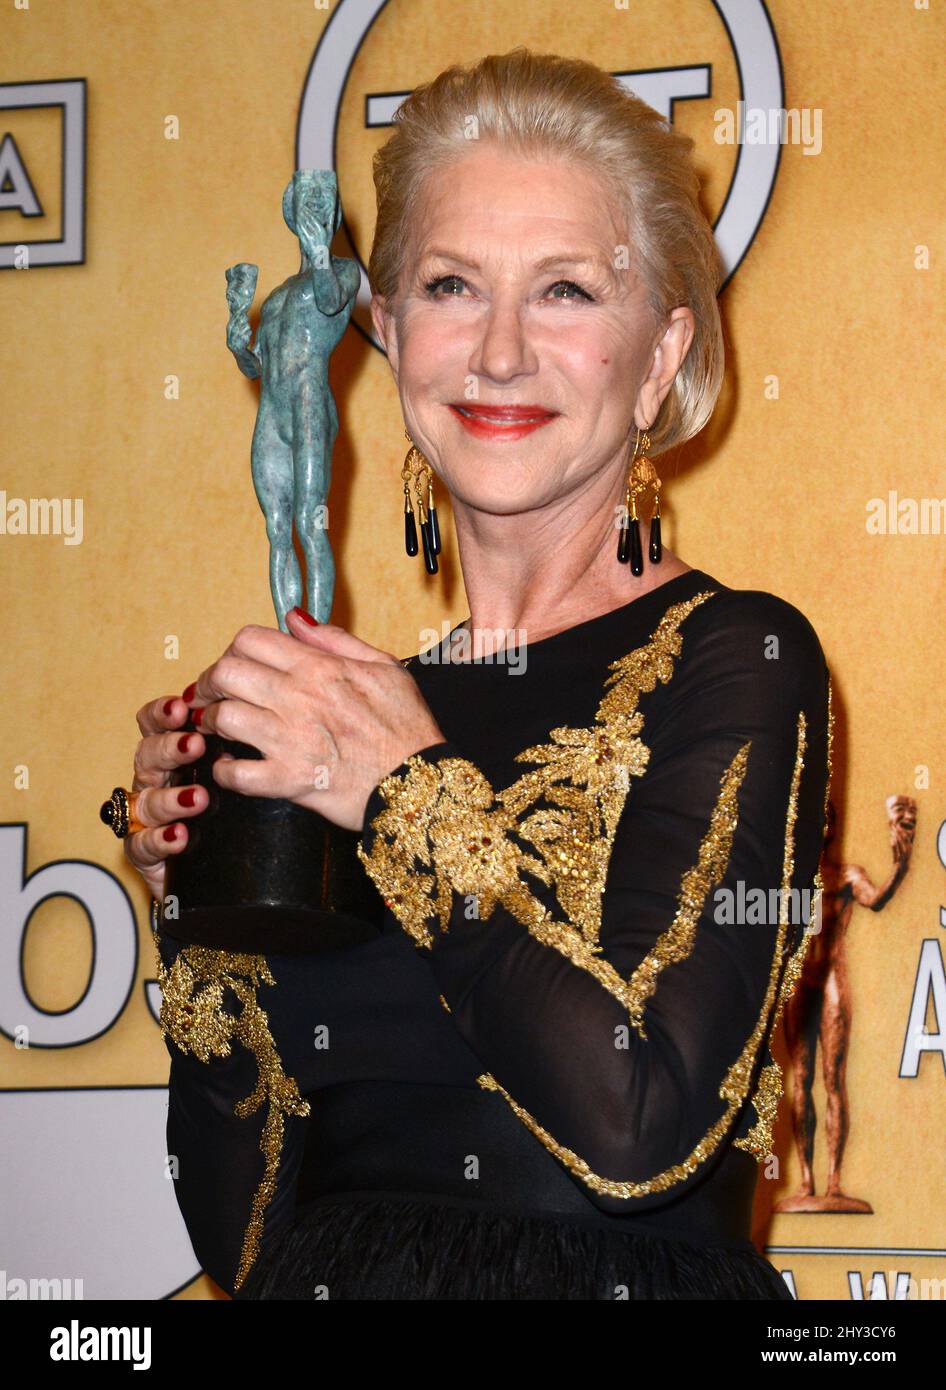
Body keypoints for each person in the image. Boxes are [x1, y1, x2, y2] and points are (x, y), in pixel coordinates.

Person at [118, 49, 832, 1300]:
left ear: (659, 355)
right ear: (386, 333)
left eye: (563, 291)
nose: (498, 354)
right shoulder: (336, 724)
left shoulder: (739, 659)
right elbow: (244, 1240)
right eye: (452, 286)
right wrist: (198, 908)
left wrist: (402, 792)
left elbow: (638, 1126)